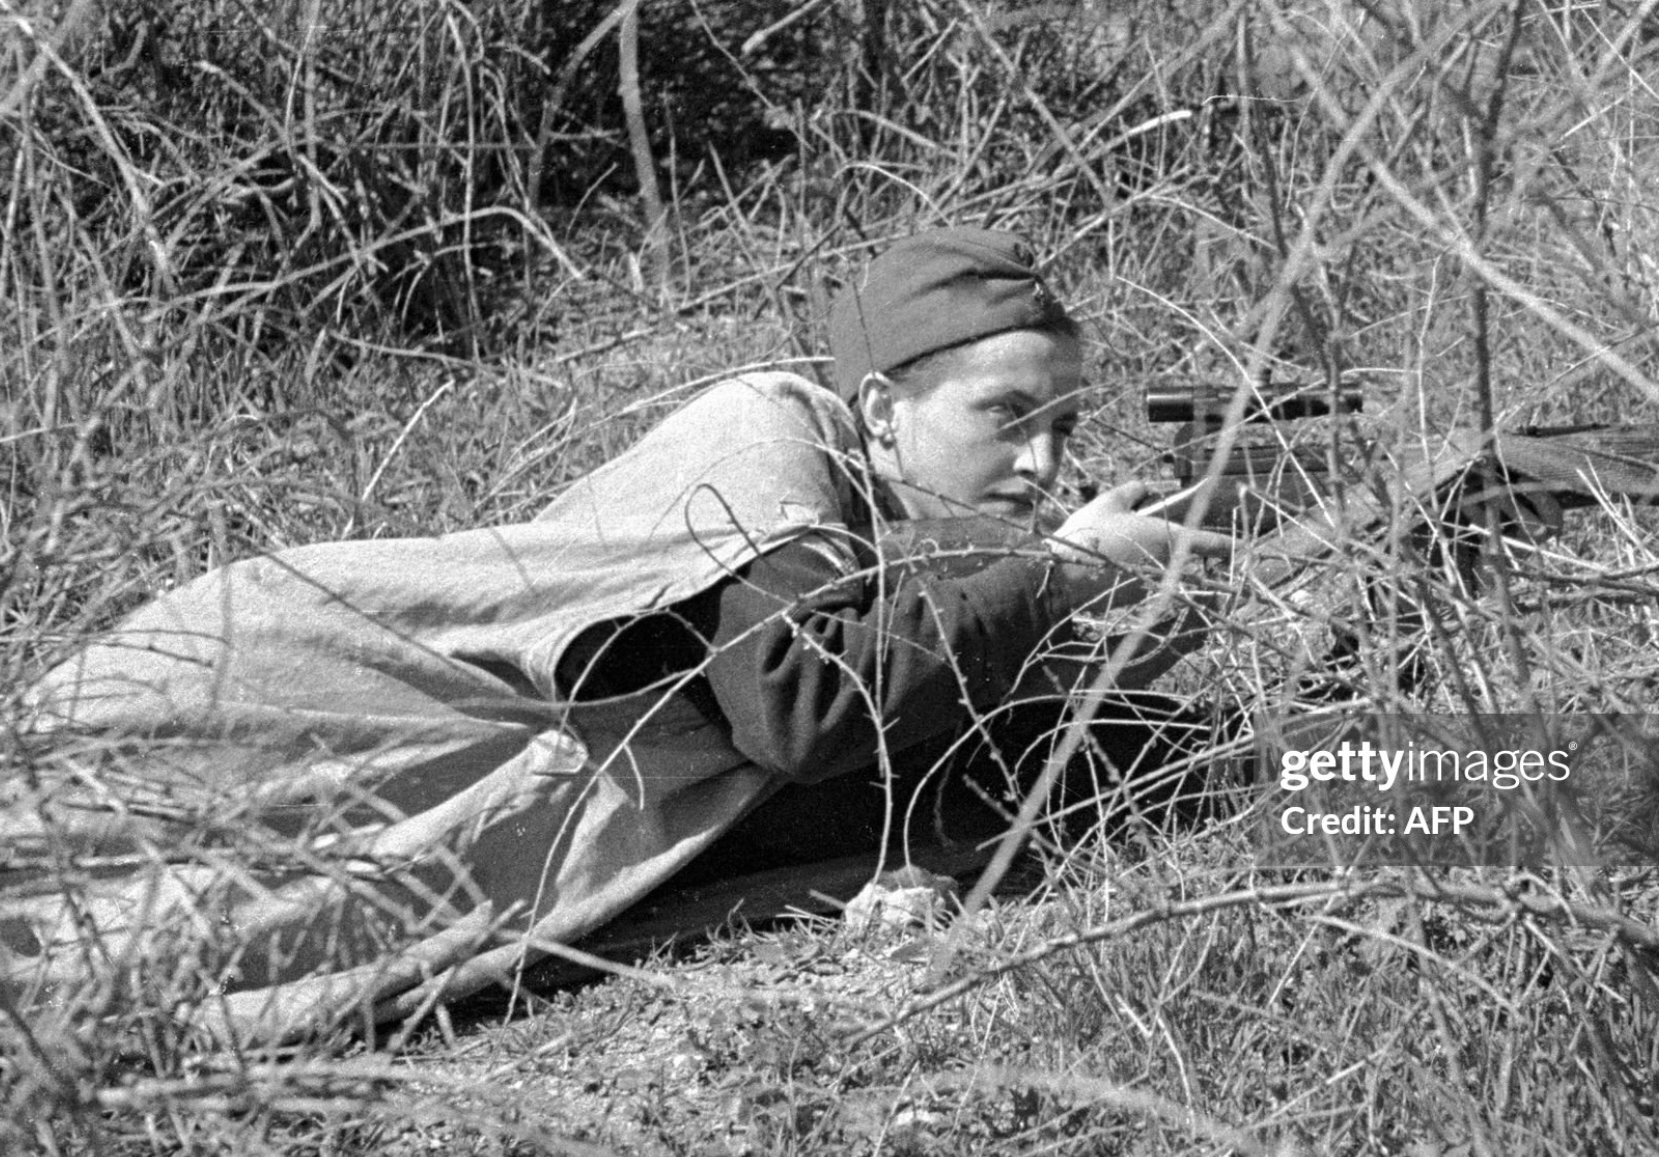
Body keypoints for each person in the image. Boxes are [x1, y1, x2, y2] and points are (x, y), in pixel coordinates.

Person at [2, 227, 1230, 1039]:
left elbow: (896, 729)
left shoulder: (884, 524)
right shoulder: (761, 442)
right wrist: (1061, 575)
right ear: (879, 410)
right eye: (1008, 414)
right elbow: (802, 711)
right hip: (270, 694)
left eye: (1066, 423)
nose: (1044, 459)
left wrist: (1154, 609)